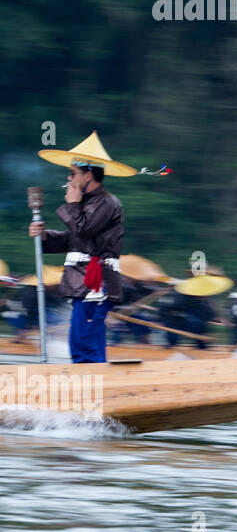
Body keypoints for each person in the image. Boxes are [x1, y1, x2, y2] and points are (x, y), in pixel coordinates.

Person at [29, 132, 136, 363]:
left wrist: (73, 204)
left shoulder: (107, 202)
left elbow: (83, 229)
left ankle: (96, 391)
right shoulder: (88, 204)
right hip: (83, 284)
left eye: (72, 174)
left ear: (88, 175)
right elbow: (75, 239)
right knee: (83, 343)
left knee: (84, 346)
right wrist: (44, 236)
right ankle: (96, 388)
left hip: (96, 282)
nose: (68, 179)